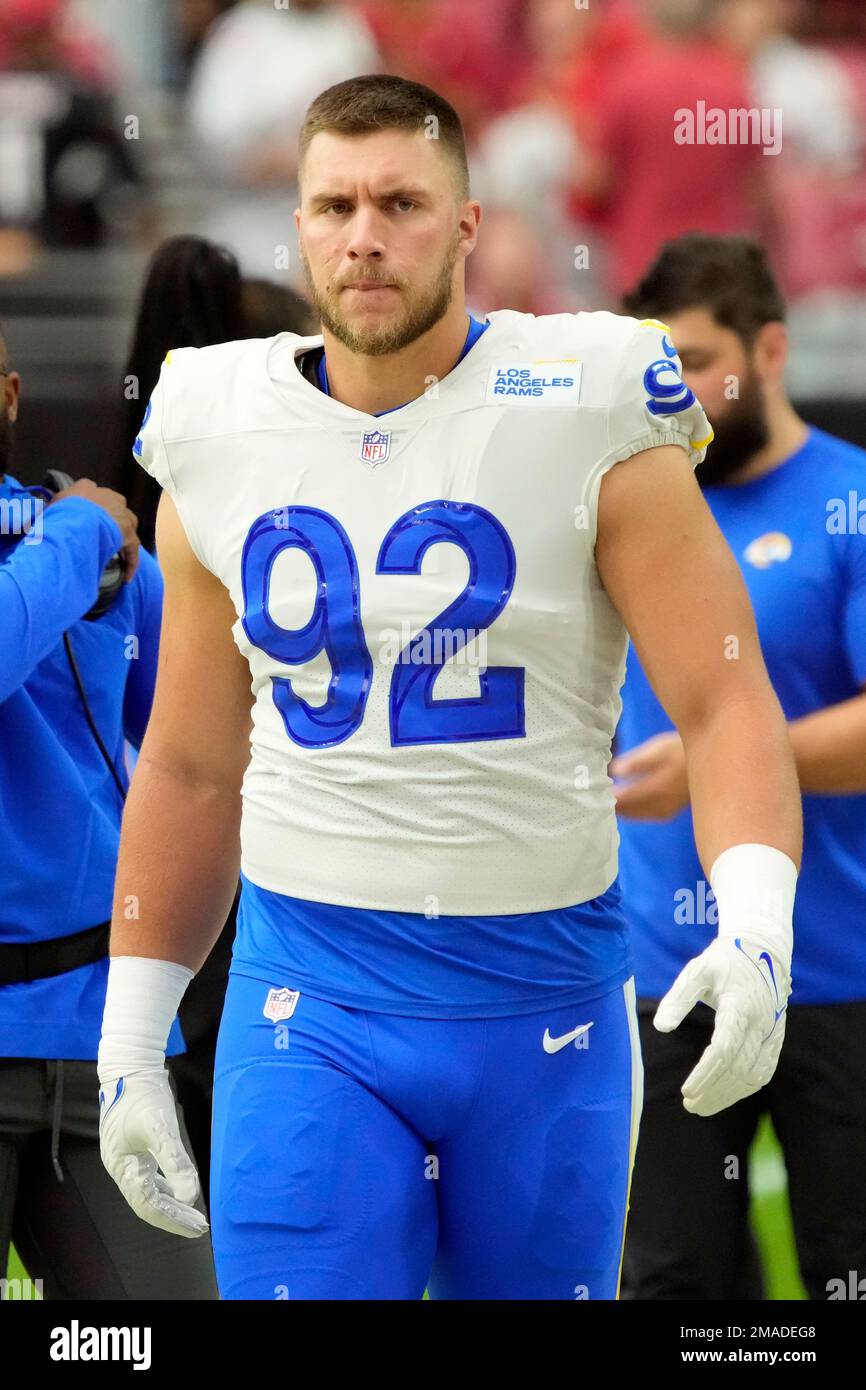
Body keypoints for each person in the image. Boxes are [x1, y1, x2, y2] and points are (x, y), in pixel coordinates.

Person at [97, 74, 801, 1301]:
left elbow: (723, 700)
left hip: (544, 996)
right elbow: (192, 762)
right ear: (299, 224)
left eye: (400, 202)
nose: (362, 235)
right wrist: (129, 1032)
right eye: (332, 206)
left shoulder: (584, 395)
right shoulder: (216, 417)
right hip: (306, 994)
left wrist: (755, 927)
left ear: (468, 226)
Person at [613, 233, 866, 1300]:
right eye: (655, 368)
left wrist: (711, 769)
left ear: (768, 349)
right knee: (669, 1283)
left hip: (839, 977)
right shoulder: (639, 505)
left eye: (697, 362)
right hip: (660, 980)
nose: (679, 394)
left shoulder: (847, 503)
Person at [0, 325, 218, 1298]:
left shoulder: (106, 565)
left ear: (9, 395)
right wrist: (81, 531)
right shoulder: (83, 539)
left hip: (93, 1040)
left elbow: (210, 756)